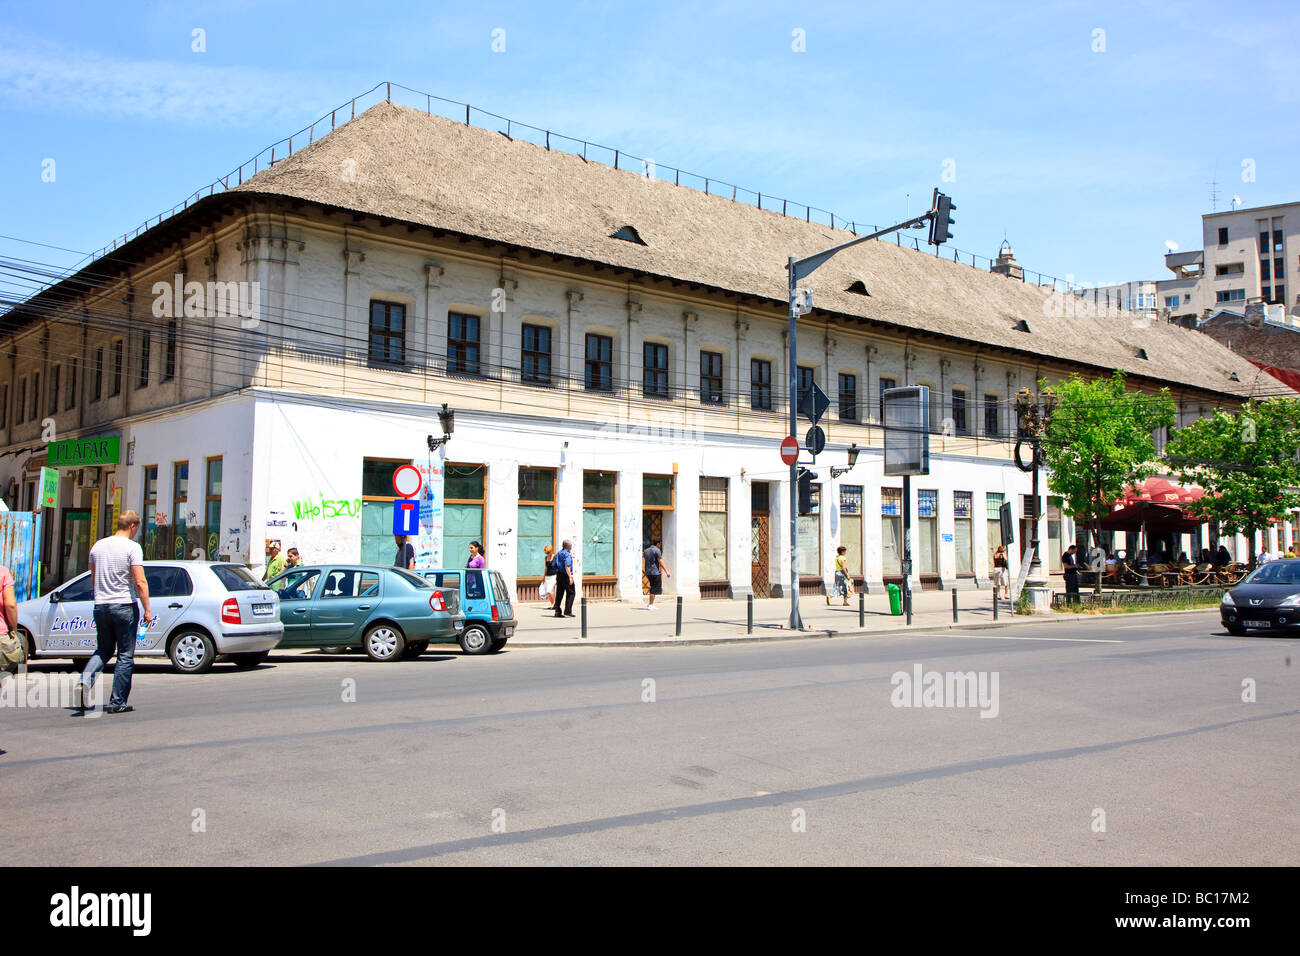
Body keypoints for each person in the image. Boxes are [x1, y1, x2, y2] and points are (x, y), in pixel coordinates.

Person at [77, 510, 151, 715]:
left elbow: (94, 578)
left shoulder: (97, 546)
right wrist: (147, 609)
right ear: (133, 526)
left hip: (100, 606)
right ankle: (117, 701)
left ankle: (84, 681)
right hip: (124, 606)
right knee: (125, 655)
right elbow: (140, 582)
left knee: (103, 650)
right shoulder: (132, 548)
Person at [643, 538, 670, 609]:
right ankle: (651, 604)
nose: (660, 545)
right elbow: (660, 561)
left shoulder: (646, 550)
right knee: (654, 588)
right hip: (654, 572)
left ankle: (650, 604)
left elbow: (645, 561)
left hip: (648, 571)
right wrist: (666, 571)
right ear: (658, 543)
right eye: (660, 543)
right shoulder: (657, 550)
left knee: (653, 587)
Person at [552, 539, 576, 619]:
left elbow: (554, 564)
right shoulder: (567, 554)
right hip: (566, 575)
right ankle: (568, 610)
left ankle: (557, 611)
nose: (571, 546)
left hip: (559, 574)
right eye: (571, 545)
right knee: (571, 592)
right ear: (568, 546)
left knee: (559, 593)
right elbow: (567, 566)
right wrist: (570, 577)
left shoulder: (558, 553)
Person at [540, 545, 558, 609]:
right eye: (546, 553)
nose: (547, 554)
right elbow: (546, 568)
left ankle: (554, 604)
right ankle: (553, 604)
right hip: (547, 576)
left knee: (549, 590)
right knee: (549, 592)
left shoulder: (555, 557)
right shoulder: (546, 558)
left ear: (551, 551)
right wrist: (543, 577)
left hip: (554, 576)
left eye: (548, 552)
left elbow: (557, 566)